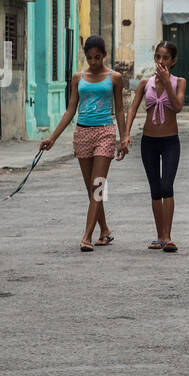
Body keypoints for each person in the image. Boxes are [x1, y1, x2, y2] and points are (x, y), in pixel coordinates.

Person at [40, 36, 129, 251]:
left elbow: (118, 109)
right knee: (92, 189)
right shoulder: (78, 77)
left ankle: (86, 236)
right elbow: (71, 109)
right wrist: (52, 138)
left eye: (97, 57)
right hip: (82, 133)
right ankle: (105, 230)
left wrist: (124, 136)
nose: (93, 62)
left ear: (104, 55)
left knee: (98, 185)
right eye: (89, 58)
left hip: (105, 132)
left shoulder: (114, 77)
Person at [125, 41, 184, 251]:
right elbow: (132, 110)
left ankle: (168, 236)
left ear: (173, 60)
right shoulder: (145, 83)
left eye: (166, 58)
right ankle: (159, 236)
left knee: (167, 186)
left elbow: (177, 107)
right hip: (149, 142)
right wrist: (125, 135)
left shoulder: (179, 82)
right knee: (155, 189)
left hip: (170, 142)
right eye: (158, 57)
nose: (161, 61)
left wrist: (167, 83)